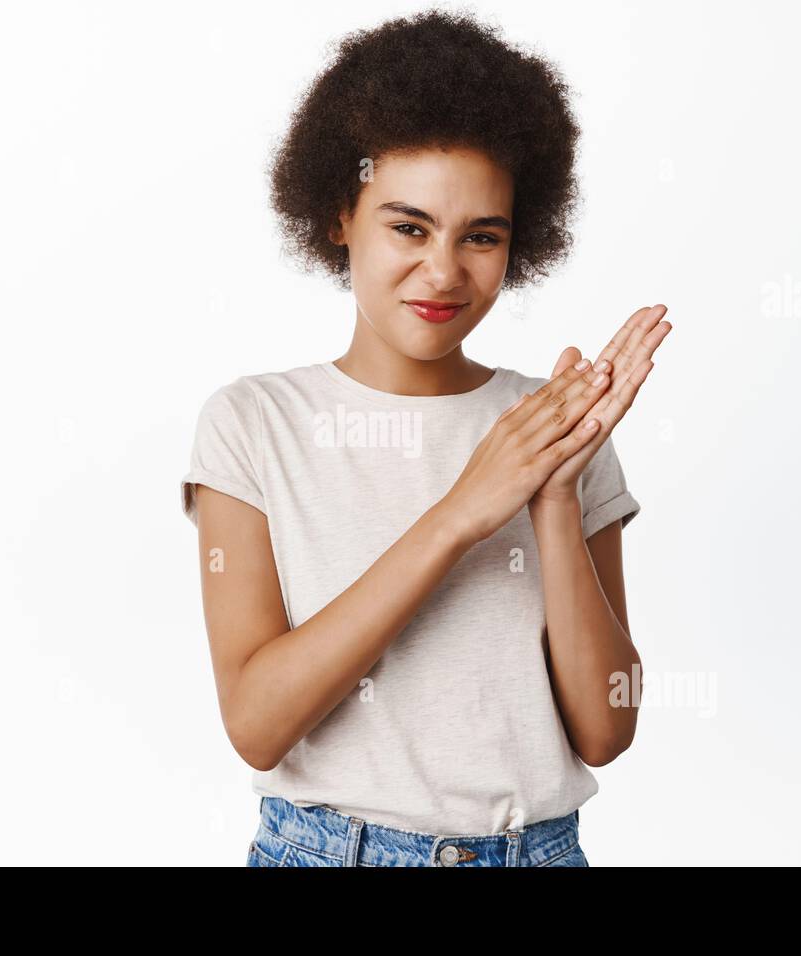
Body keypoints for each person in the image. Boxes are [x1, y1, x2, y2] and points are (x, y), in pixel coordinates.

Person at [179, 8, 672, 867]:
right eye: (409, 227)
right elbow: (256, 725)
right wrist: (458, 516)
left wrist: (555, 498)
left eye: (481, 236)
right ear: (340, 215)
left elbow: (607, 728)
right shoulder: (254, 424)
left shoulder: (553, 424)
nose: (444, 272)